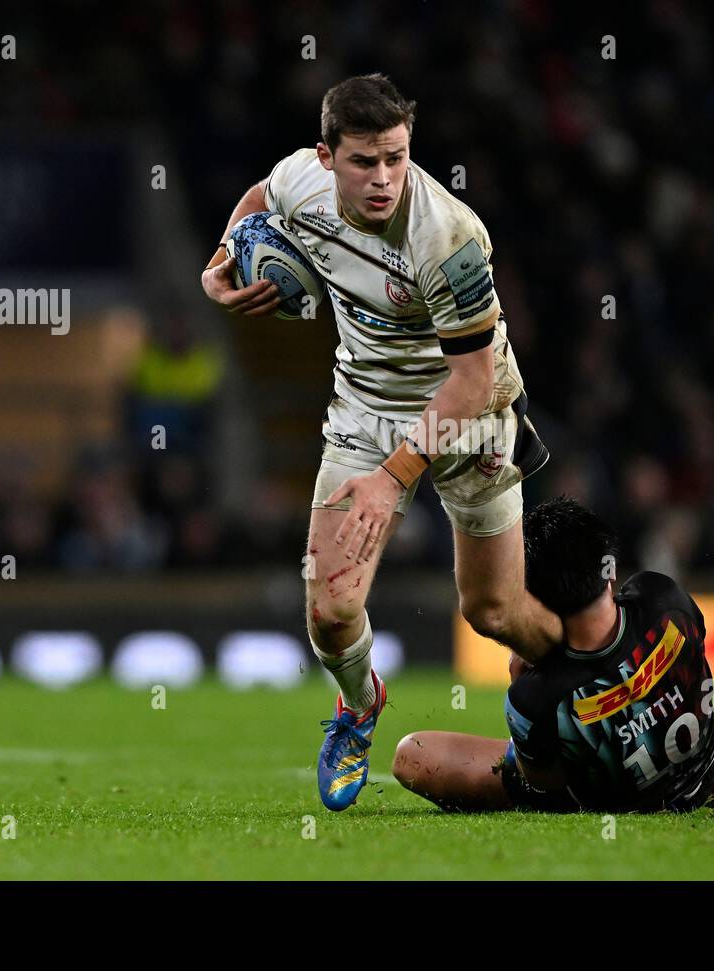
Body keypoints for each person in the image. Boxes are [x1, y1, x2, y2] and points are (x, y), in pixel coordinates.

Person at [201, 74, 562, 810]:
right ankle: (359, 707)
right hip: (366, 407)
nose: (384, 178)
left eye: (396, 157)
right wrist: (219, 265)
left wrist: (393, 478)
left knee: (491, 611)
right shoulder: (301, 182)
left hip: (469, 414)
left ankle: (597, 676)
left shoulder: (449, 236)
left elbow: (470, 377)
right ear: (326, 157)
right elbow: (258, 202)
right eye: (364, 161)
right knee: (330, 612)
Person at [393, 497, 714, 813]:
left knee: (412, 754)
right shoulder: (662, 595)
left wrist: (526, 678)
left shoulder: (535, 693)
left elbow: (542, 782)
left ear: (535, 597)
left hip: (605, 798)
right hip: (697, 771)